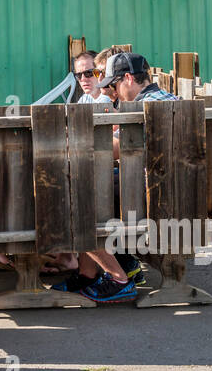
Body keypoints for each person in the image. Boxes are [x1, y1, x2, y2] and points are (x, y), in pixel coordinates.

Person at [68, 51, 177, 304]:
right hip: (165, 187)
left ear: (128, 78)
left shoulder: (145, 107)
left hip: (154, 195)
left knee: (75, 198)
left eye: (114, 84)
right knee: (84, 187)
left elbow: (111, 147)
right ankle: (90, 274)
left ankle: (118, 279)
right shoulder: (164, 99)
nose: (114, 92)